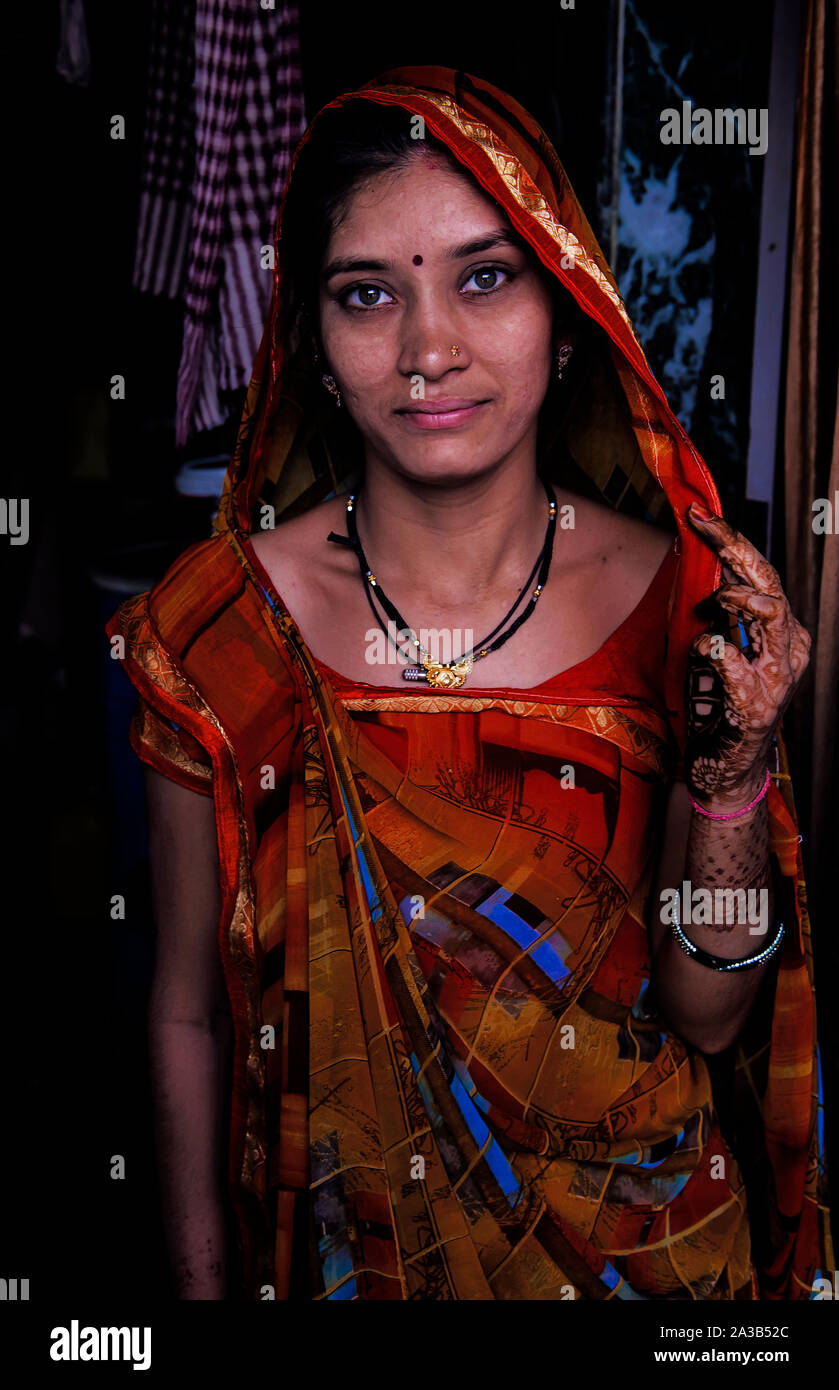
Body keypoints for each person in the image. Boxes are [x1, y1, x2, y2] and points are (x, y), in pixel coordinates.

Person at [107, 66, 832, 1301]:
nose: (428, 348)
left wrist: (727, 776)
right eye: (366, 295)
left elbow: (709, 1019)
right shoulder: (222, 630)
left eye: (483, 276)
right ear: (315, 346)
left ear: (566, 306)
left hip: (647, 1272)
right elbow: (186, 1014)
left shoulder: (683, 609)